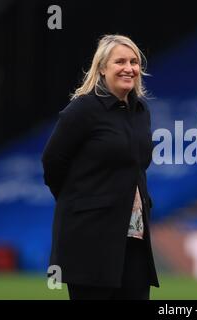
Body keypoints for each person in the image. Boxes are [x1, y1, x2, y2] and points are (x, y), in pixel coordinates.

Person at [41, 34, 159, 300]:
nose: (129, 68)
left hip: (134, 240)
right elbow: (52, 163)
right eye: (120, 61)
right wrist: (82, 203)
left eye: (134, 61)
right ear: (102, 68)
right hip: (90, 241)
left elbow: (138, 166)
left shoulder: (141, 110)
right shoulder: (82, 109)